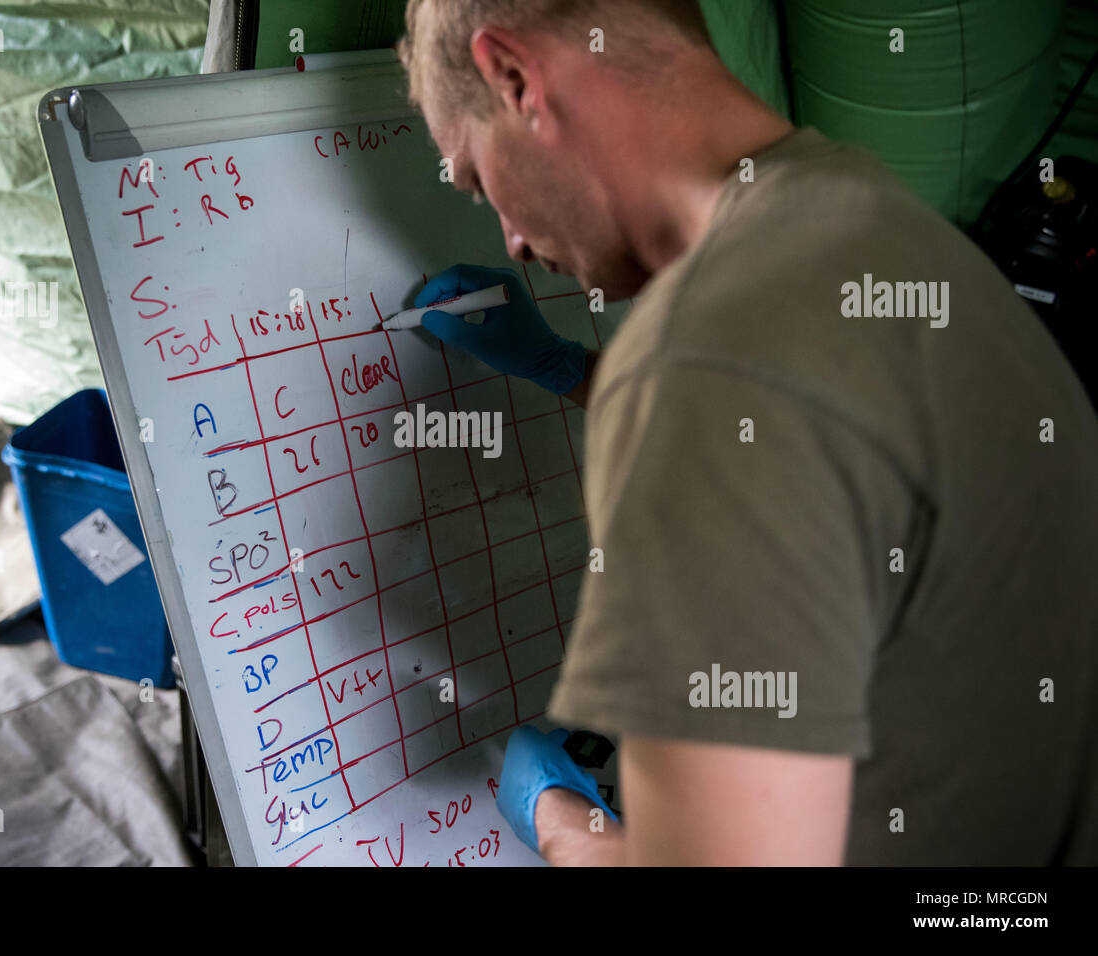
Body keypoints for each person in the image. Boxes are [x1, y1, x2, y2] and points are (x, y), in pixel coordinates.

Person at [395, 0, 1098, 865]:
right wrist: (569, 370)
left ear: (515, 77)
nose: (510, 237)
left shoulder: (697, 362)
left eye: (475, 178)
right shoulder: (879, 223)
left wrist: (562, 827)